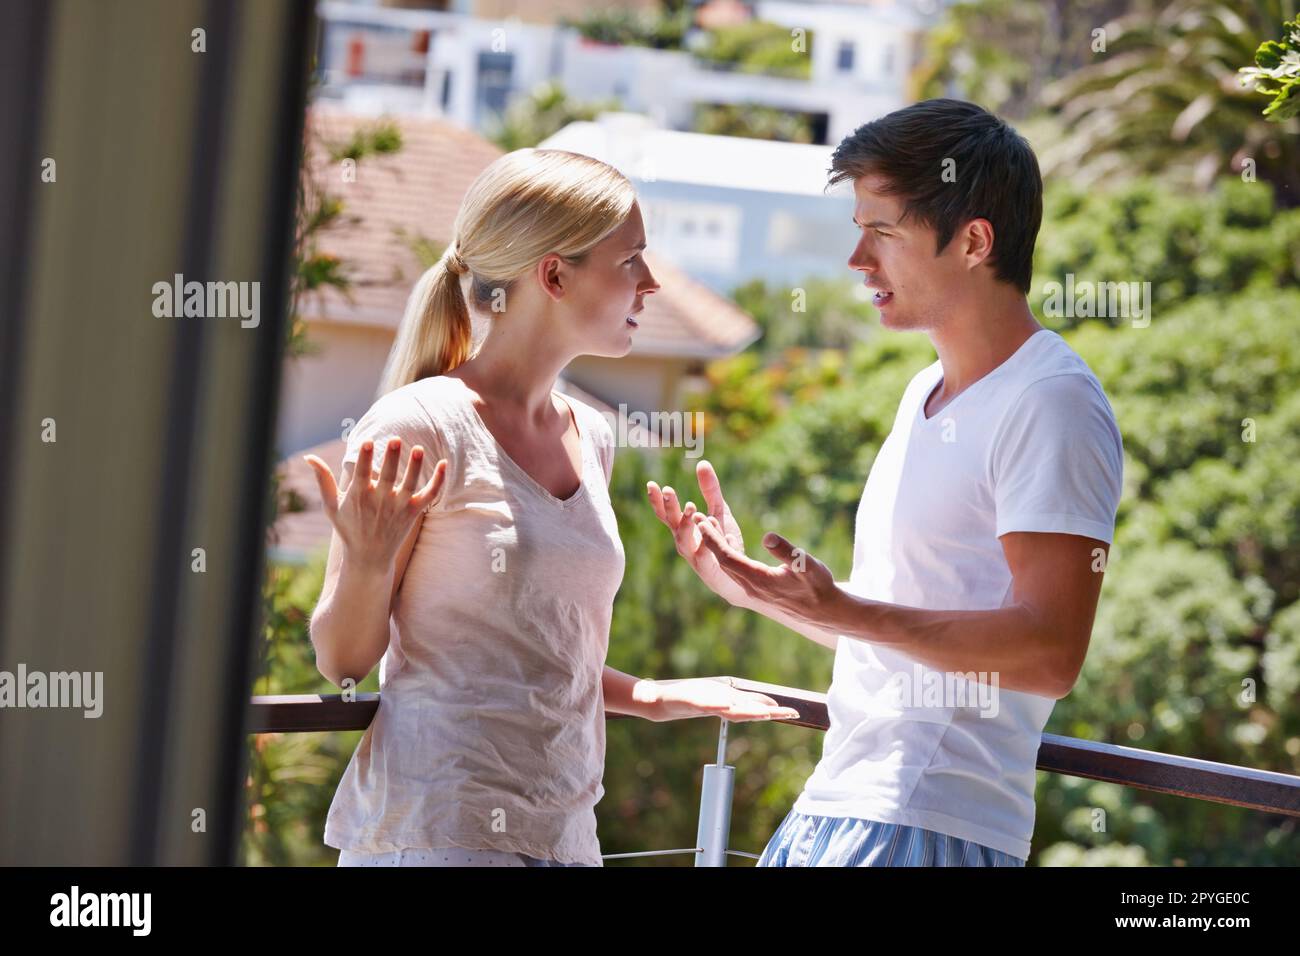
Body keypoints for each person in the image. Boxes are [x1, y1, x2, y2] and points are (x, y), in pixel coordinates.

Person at [647, 99, 1124, 867]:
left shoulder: (1052, 401)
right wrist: (759, 591)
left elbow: (1050, 652)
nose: (857, 260)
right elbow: (890, 634)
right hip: (835, 809)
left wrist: (844, 608)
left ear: (974, 242)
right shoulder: (924, 392)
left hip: (929, 821)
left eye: (883, 232)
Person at [306, 148, 799, 868]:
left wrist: (653, 695)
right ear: (555, 276)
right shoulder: (420, 425)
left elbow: (535, 655)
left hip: (565, 833)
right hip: (442, 831)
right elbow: (343, 663)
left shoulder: (590, 436)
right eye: (630, 259)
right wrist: (368, 563)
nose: (651, 282)